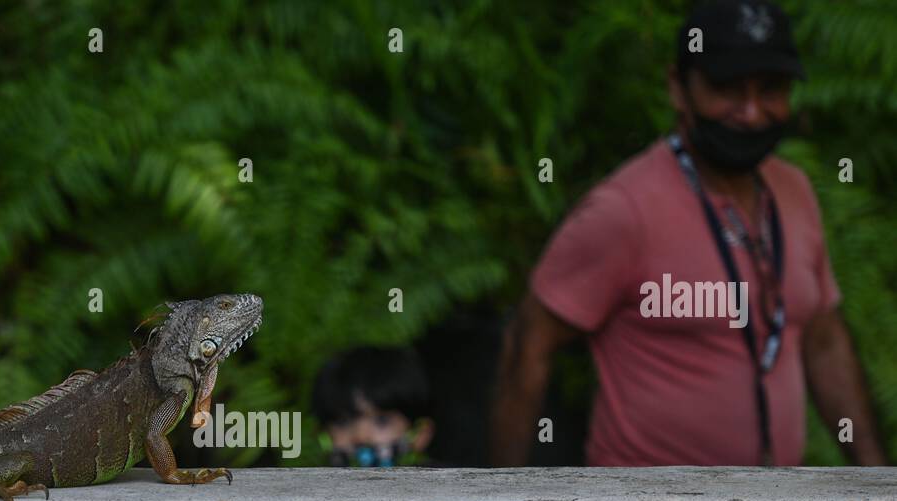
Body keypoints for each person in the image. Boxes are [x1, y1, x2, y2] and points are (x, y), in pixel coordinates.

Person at [490, 0, 886, 467]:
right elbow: (528, 344)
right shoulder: (624, 210)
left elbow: (822, 338)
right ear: (678, 87)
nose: (752, 112)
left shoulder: (794, 191)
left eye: (771, 89)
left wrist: (878, 488)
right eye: (727, 88)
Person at [313, 346, 437, 466]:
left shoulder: (443, 483)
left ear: (420, 434)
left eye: (381, 421)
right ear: (323, 434)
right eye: (343, 422)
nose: (360, 437)